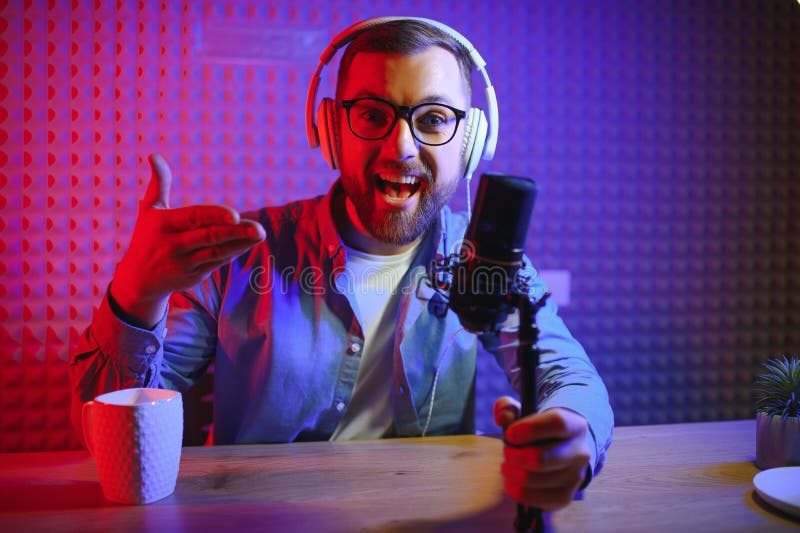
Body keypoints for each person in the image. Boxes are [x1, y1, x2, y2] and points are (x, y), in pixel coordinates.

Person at [69, 17, 613, 512]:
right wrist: (138, 297)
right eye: (374, 115)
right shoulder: (238, 257)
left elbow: (566, 372)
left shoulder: (485, 256)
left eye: (433, 119)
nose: (401, 146)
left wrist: (572, 433)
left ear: (469, 141)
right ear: (331, 129)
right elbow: (102, 438)